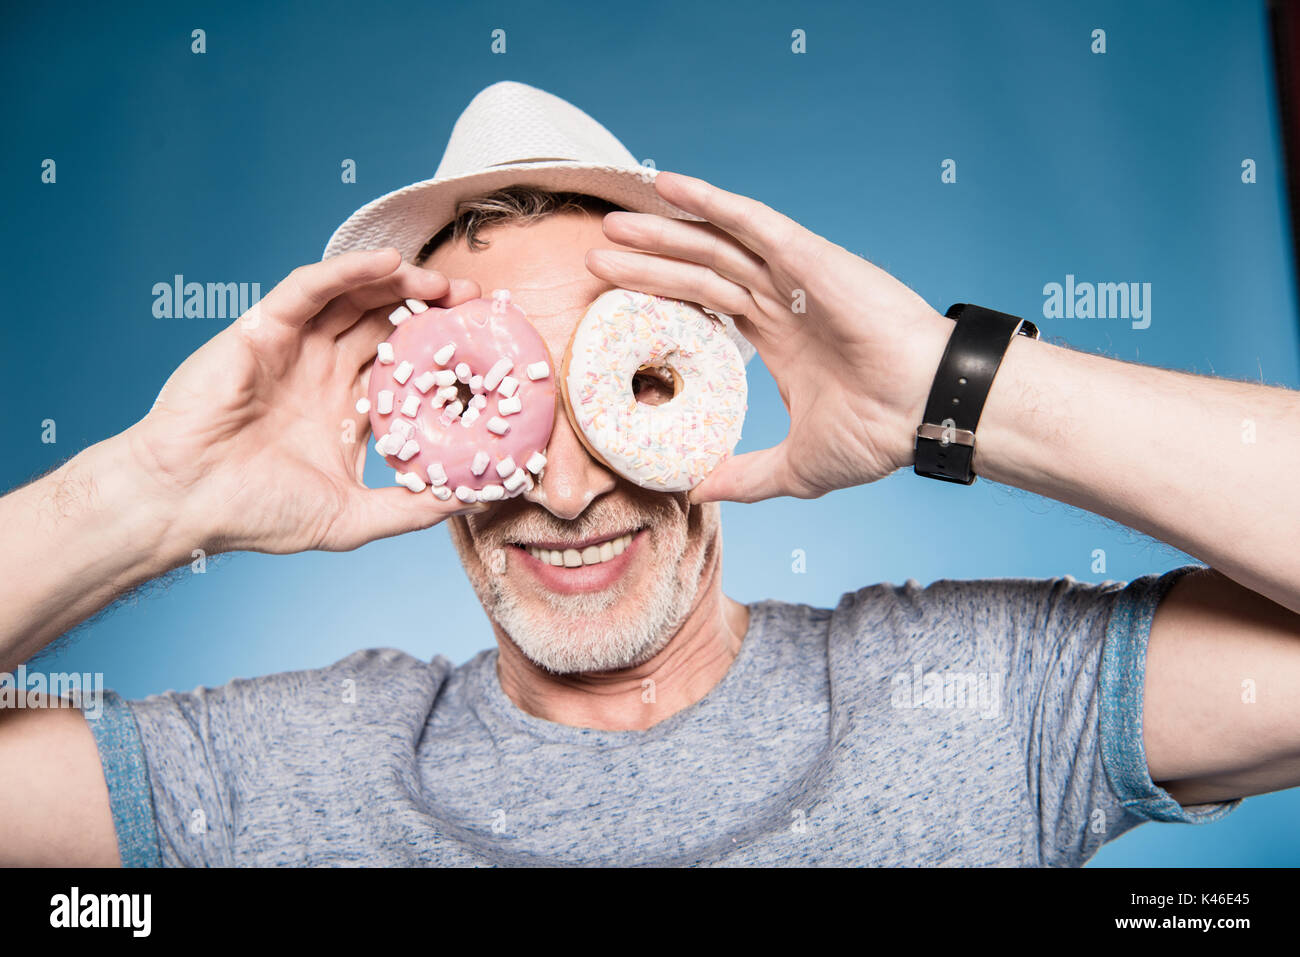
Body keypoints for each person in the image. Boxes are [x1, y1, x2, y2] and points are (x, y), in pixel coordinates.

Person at [2, 82, 1298, 867]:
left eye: (623, 386)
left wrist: (947, 391)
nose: (565, 489)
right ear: (408, 424)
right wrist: (154, 498)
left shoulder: (978, 700)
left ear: (712, 380)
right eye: (492, 396)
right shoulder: (275, 776)